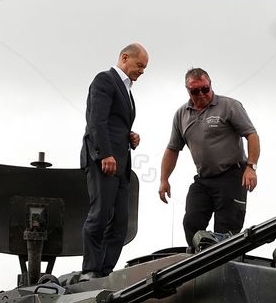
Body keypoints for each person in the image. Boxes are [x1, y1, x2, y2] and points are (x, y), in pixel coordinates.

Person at [158, 68, 260, 243]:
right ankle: (196, 262)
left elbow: (252, 135)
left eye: (205, 89)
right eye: (195, 91)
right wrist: (164, 179)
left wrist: (251, 167)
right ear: (188, 91)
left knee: (226, 230)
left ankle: (224, 264)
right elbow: (172, 149)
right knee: (191, 222)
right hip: (204, 179)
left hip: (232, 176)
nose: (201, 94)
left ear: (210, 85)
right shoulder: (181, 114)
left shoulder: (229, 106)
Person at [79, 43, 148, 276]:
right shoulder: (104, 80)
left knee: (120, 223)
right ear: (124, 57)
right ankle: (90, 269)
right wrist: (104, 154)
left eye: (144, 68)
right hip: (103, 161)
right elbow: (96, 120)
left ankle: (104, 272)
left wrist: (130, 137)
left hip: (122, 163)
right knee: (99, 215)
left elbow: (115, 123)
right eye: (139, 65)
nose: (142, 71)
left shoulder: (127, 90)